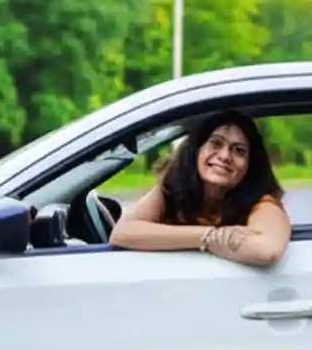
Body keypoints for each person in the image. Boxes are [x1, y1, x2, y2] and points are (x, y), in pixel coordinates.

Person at [108, 110, 291, 266]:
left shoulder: (261, 203)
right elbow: (122, 233)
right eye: (216, 143)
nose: (225, 156)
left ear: (249, 166)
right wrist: (207, 237)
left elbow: (268, 249)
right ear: (197, 149)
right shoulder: (173, 186)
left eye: (239, 150)